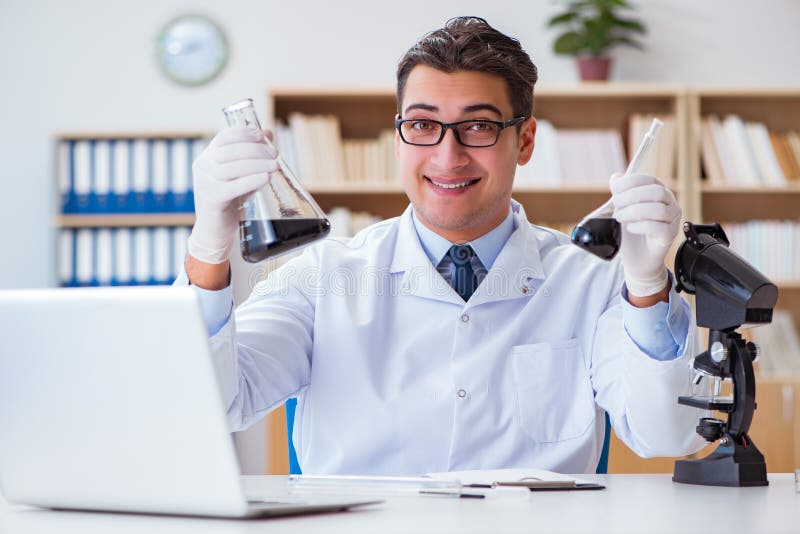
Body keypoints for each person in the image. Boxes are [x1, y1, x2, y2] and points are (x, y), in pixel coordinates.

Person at [176, 16, 705, 475]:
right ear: (400, 134)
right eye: (424, 125)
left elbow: (666, 435)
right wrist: (209, 245)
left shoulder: (591, 278)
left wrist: (646, 285)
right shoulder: (322, 275)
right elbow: (213, 406)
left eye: (478, 126)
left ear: (524, 141)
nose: (447, 157)